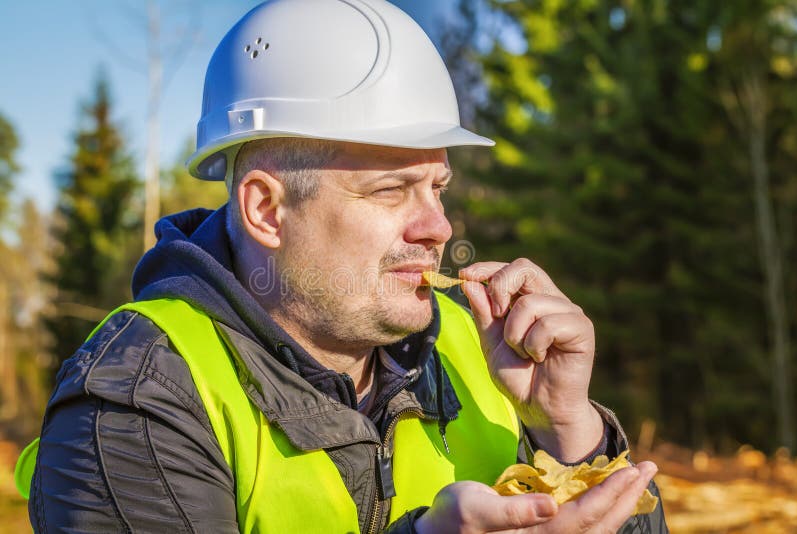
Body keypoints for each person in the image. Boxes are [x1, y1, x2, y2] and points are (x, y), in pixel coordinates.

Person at [19, 0, 667, 532]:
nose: (439, 228)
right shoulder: (135, 400)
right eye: (390, 190)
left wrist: (567, 430)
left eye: (437, 188)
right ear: (267, 210)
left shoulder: (478, 346)